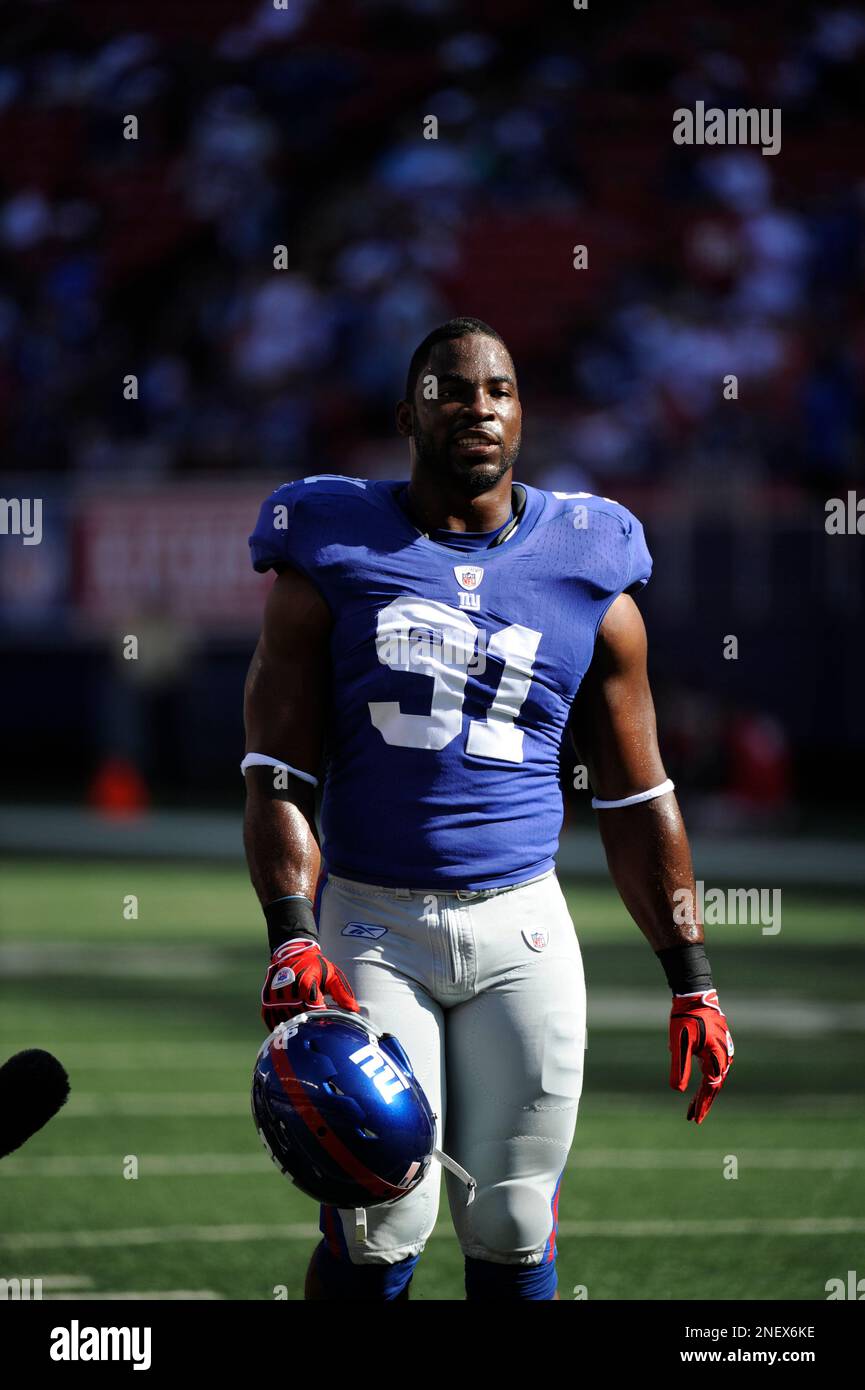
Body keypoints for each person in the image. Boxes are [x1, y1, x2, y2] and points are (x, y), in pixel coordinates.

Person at [242, 316, 734, 1301]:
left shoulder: (586, 558)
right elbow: (276, 771)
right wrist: (292, 934)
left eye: (499, 390)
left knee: (511, 1219)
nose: (477, 407)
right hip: (371, 923)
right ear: (406, 415)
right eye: (451, 389)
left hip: (522, 926)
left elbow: (638, 797)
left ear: (523, 413)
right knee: (382, 1219)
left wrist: (692, 976)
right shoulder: (330, 543)